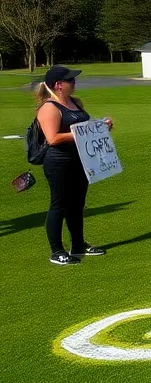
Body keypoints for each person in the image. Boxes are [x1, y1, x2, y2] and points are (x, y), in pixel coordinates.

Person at [35, 66, 112, 266]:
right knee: (59, 205)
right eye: (70, 81)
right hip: (59, 162)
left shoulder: (75, 103)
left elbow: (84, 127)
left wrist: (100, 126)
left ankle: (78, 245)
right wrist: (85, 131)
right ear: (59, 85)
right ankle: (56, 251)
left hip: (81, 160)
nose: (74, 83)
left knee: (77, 204)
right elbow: (53, 138)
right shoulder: (49, 108)